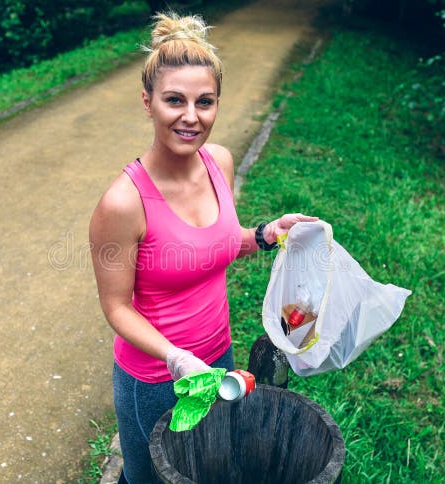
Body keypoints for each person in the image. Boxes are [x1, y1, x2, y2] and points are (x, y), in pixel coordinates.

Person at [89, 11, 317, 484]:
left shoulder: (219, 163)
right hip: (154, 377)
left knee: (208, 468)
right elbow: (116, 307)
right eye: (175, 100)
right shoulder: (122, 203)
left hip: (218, 356)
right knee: (148, 478)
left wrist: (265, 233)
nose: (191, 117)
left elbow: (212, 246)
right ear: (147, 102)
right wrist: (175, 357)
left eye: (205, 102)